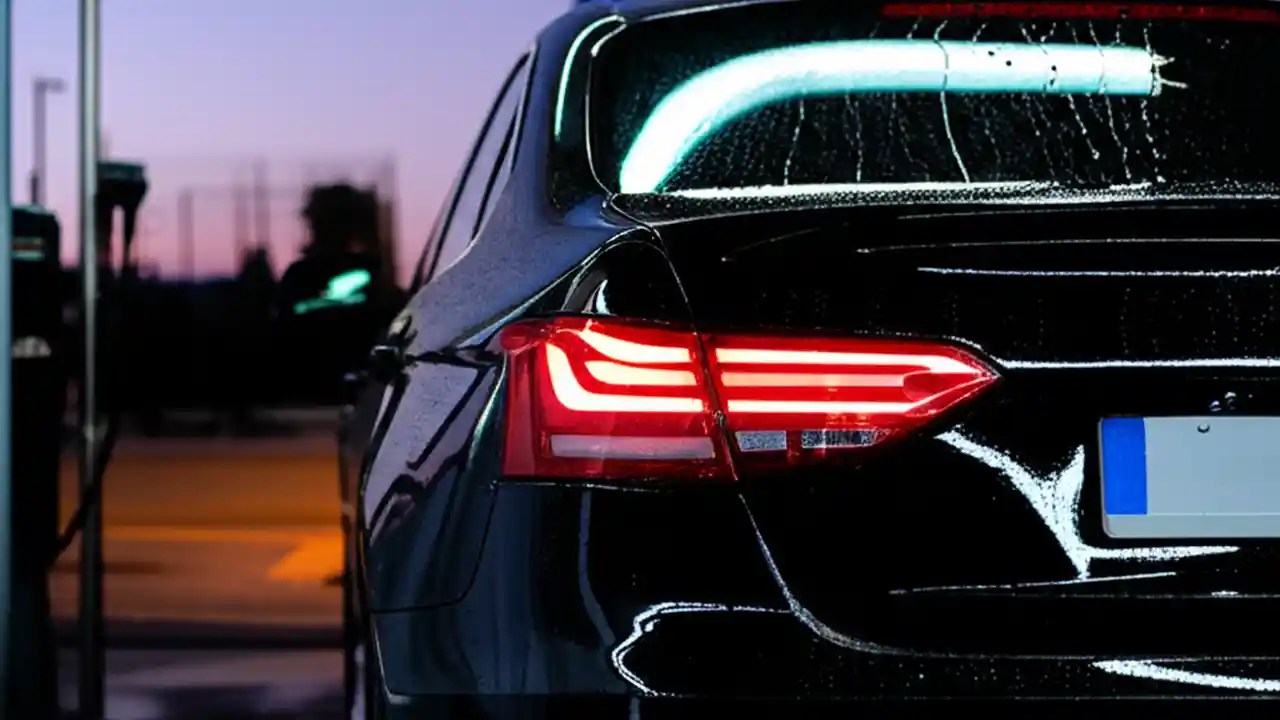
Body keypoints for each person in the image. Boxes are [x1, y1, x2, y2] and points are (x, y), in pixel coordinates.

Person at [275, 184, 402, 405]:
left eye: (337, 221)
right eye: (323, 221)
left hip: (364, 389)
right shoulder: (300, 276)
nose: (327, 230)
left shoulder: (372, 274)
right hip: (309, 390)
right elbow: (286, 330)